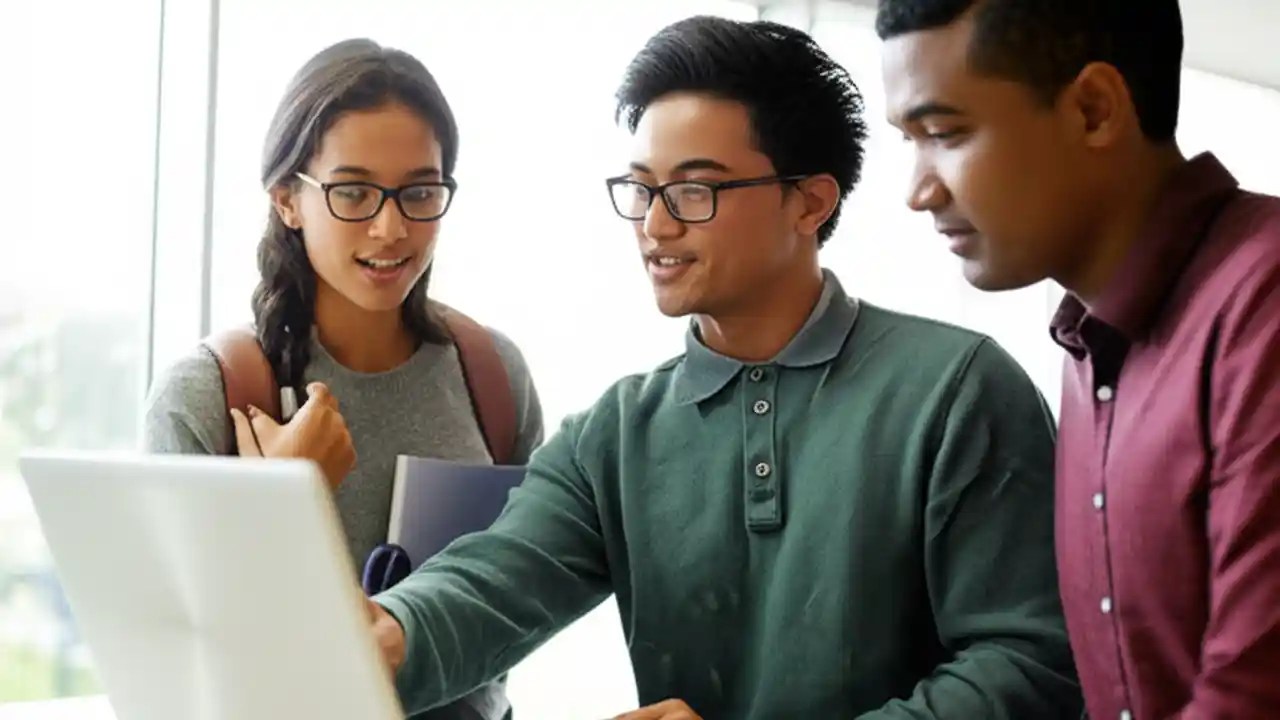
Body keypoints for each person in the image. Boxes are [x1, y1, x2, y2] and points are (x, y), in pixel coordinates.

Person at [364, 16, 1080, 720]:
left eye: (694, 190)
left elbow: (1028, 668)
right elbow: (491, 583)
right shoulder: (614, 435)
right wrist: (378, 637)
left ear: (810, 201)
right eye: (642, 189)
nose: (656, 224)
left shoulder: (959, 390)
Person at [877, 1, 1280, 718]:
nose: (919, 191)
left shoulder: (1263, 301)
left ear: (1095, 109)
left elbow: (1252, 695)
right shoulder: (1087, 346)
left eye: (943, 133)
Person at [142, 38, 544, 720]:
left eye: (419, 191)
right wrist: (282, 505)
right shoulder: (211, 397)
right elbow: (176, 671)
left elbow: (523, 601)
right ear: (287, 199)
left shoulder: (493, 377)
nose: (391, 228)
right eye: (353, 191)